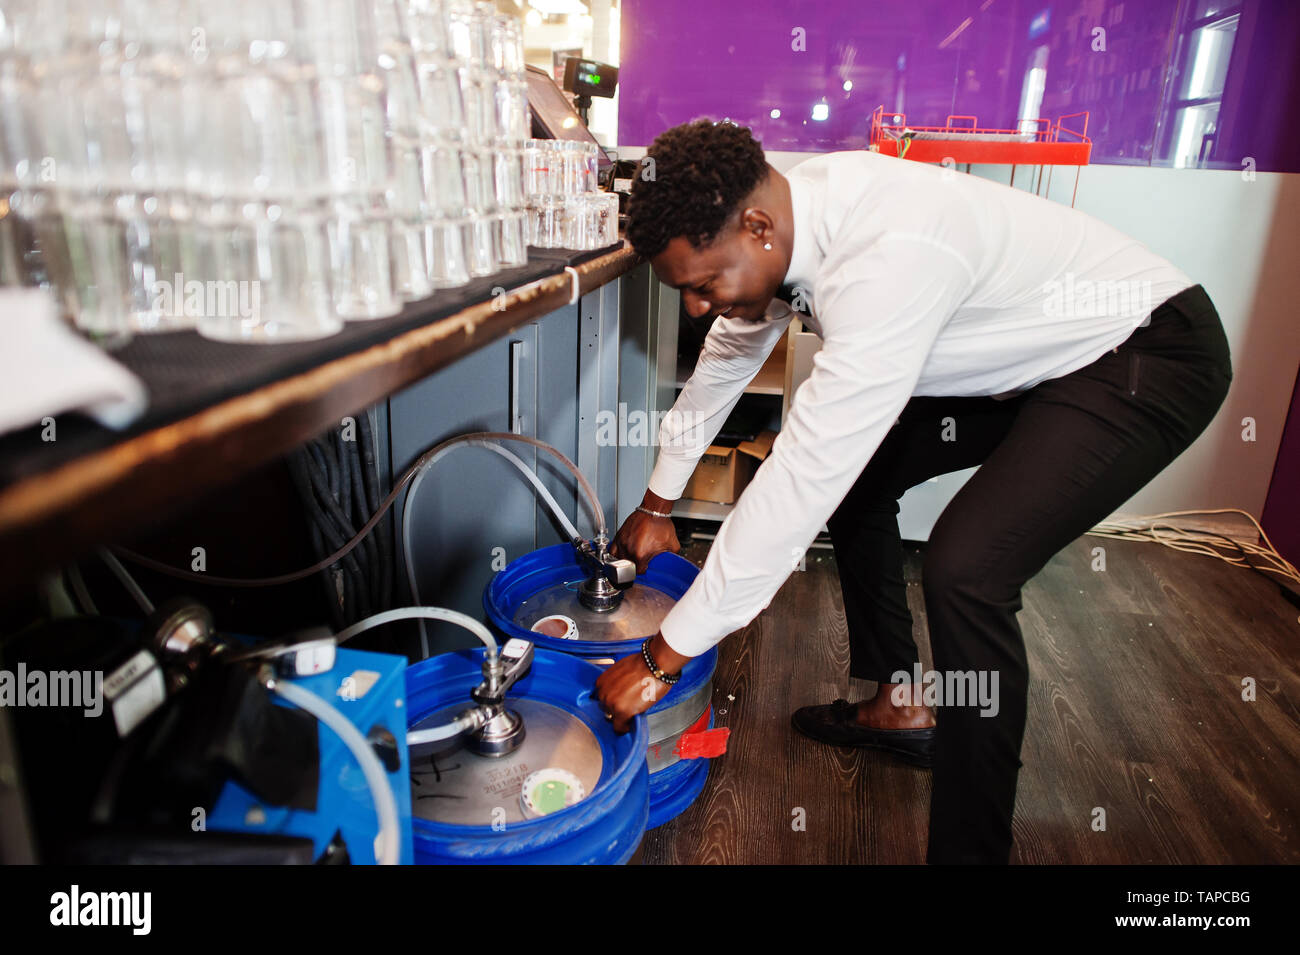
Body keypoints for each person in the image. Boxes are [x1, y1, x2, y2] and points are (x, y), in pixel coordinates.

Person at [593, 118, 1233, 863]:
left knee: (969, 569)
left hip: (1146, 350)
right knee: (862, 485)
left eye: (703, 287)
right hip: (1035, 357)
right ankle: (899, 703)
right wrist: (657, 504)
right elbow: (727, 359)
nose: (697, 308)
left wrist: (660, 657)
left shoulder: (888, 258)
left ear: (758, 228)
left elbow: (800, 480)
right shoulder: (788, 219)